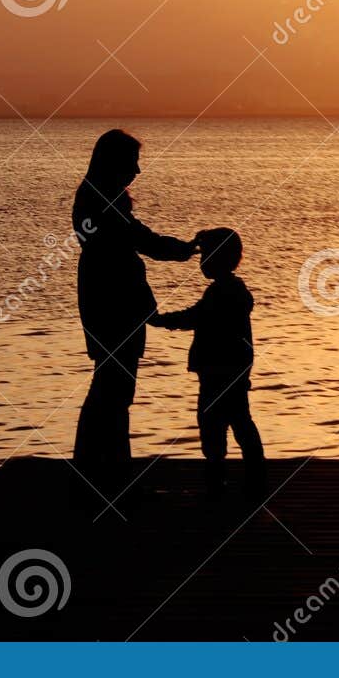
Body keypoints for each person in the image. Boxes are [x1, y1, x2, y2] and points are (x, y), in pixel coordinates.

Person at [71, 128, 196, 472]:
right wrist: (181, 249)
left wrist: (178, 249)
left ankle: (98, 468)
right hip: (114, 306)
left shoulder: (95, 199)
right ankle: (108, 473)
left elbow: (136, 238)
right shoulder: (100, 202)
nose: (138, 171)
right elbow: (138, 240)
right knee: (113, 391)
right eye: (133, 162)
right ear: (113, 163)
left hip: (108, 302)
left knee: (110, 390)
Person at [148, 227, 266, 497]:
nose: (201, 263)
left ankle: (219, 478)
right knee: (238, 419)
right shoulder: (230, 291)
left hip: (218, 370)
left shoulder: (220, 294)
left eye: (205, 256)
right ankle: (253, 477)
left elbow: (195, 317)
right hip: (232, 368)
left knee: (214, 422)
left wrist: (160, 320)